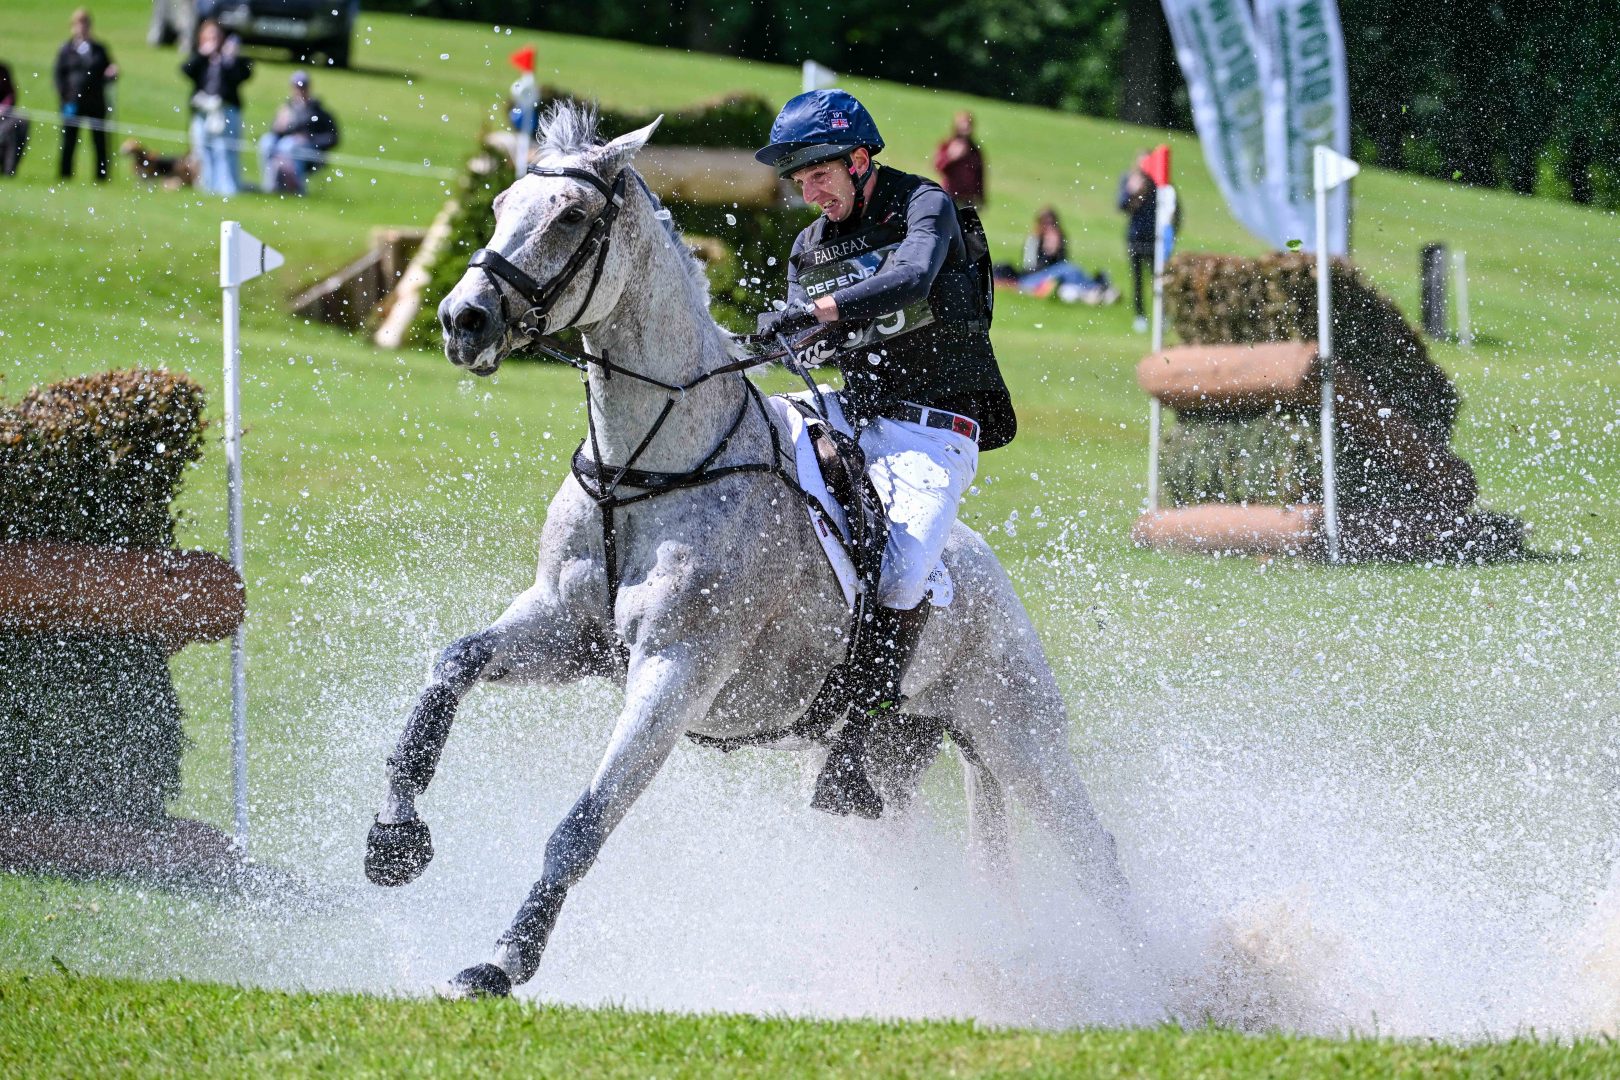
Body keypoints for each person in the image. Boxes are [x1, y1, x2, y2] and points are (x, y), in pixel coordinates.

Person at [754, 89, 1015, 818]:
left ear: (861, 160)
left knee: (902, 572)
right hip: (854, 414)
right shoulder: (807, 249)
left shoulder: (923, 205)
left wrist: (816, 312)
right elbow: (812, 342)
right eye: (798, 181)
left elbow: (913, 277)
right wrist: (776, 339)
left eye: (818, 174)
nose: (808, 191)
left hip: (936, 431)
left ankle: (856, 746)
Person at [181, 20, 252, 195]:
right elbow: (186, 70)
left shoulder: (230, 59)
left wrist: (229, 59)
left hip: (225, 110)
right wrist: (202, 55)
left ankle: (228, 189)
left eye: (217, 36)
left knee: (225, 149)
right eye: (209, 36)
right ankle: (207, 187)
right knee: (202, 149)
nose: (213, 40)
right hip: (202, 110)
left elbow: (244, 75)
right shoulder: (201, 59)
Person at [54, 8, 118, 182]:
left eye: (85, 24)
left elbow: (109, 70)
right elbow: (59, 76)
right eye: (78, 24)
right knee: (69, 140)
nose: (81, 28)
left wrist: (112, 73)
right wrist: (65, 97)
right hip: (72, 101)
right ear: (72, 27)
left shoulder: (99, 49)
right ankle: (65, 175)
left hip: (96, 101)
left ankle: (101, 177)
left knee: (99, 141)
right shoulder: (66, 49)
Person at [257, 70, 339, 195]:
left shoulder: (319, 112)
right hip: (285, 146)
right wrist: (278, 127)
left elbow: (332, 138)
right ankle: (271, 186)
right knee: (266, 142)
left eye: (303, 87)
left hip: (309, 151)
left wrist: (309, 139)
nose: (300, 91)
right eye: (296, 87)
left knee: (290, 145)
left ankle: (297, 188)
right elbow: (276, 133)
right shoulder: (286, 109)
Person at [1018, 207, 1117, 304]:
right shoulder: (1033, 240)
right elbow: (1030, 268)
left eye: (1052, 223)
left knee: (1070, 268)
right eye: (1045, 223)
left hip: (1055, 275)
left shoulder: (1059, 238)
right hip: (1032, 279)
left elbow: (1062, 260)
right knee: (1068, 268)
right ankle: (1094, 288)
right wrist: (1047, 254)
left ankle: (1094, 290)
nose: (1049, 227)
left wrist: (1056, 250)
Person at [1119, 157, 1158, 332]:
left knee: (1158, 279)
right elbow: (1121, 205)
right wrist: (1132, 191)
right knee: (1137, 280)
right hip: (1135, 237)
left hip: (1154, 239)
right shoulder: (1129, 179)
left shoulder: (1159, 184)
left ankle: (1162, 315)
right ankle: (1140, 315)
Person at [932, 109, 985, 208]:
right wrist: (951, 157)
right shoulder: (948, 144)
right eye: (963, 124)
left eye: (969, 124)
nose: (966, 127)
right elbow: (938, 166)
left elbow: (980, 174)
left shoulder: (975, 149)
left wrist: (981, 197)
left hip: (969, 199)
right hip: (950, 194)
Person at [0, 62, 29, 177]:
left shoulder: (3, 70)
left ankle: (9, 169)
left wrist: (4, 107)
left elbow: (10, 93)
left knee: (20, 122)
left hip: (4, 114)